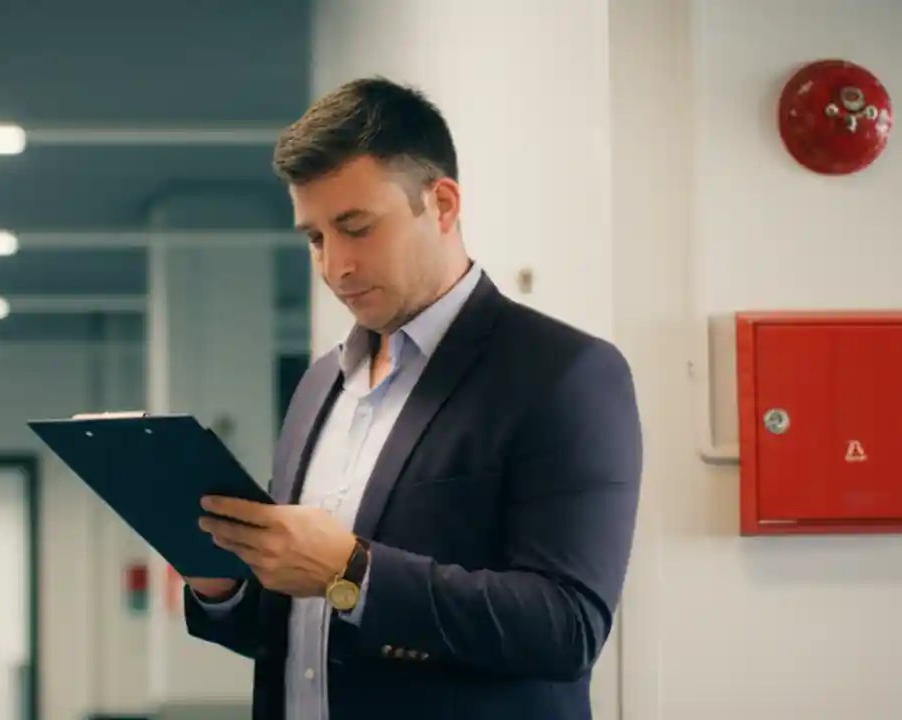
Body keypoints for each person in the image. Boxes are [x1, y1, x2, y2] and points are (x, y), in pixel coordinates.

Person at [183, 77, 642, 720]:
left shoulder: (565, 373)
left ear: (442, 204)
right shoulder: (320, 385)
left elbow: (566, 628)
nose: (335, 266)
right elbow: (299, 635)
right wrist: (224, 584)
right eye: (316, 238)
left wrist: (353, 571)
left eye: (357, 228)